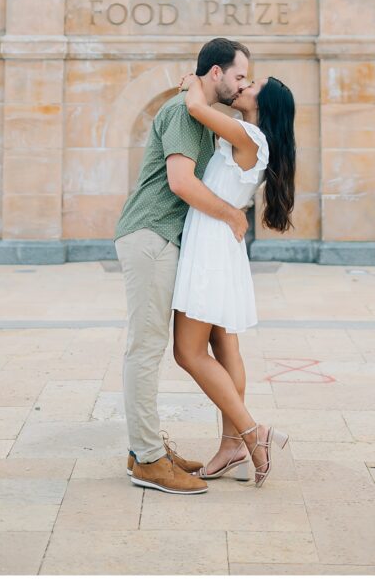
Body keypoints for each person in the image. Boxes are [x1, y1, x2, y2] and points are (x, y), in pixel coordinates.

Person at [112, 37, 252, 496]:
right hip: (152, 234)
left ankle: (144, 449)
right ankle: (148, 460)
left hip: (164, 240)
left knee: (153, 348)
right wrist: (232, 214)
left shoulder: (198, 116)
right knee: (146, 349)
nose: (241, 84)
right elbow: (180, 181)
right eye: (238, 76)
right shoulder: (182, 113)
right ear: (215, 73)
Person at [168, 69, 298, 487]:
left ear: (265, 104)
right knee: (225, 347)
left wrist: (194, 80)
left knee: (188, 352)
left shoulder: (251, 136)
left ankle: (251, 433)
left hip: (210, 245)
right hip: (218, 242)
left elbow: (194, 106)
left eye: (252, 84)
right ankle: (231, 447)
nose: (244, 86)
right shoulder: (251, 138)